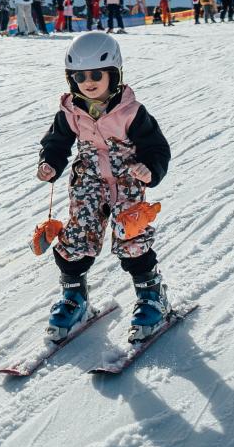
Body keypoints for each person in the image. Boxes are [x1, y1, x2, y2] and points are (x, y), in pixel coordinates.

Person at [36, 32, 172, 342]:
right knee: (75, 237)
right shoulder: (71, 112)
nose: (89, 81)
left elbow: (156, 147)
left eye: (96, 74)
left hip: (127, 182)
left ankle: (152, 295)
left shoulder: (131, 112)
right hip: (88, 183)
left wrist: (149, 170)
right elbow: (56, 142)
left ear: (113, 73)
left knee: (131, 235)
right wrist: (50, 163)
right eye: (80, 76)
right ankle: (74, 297)